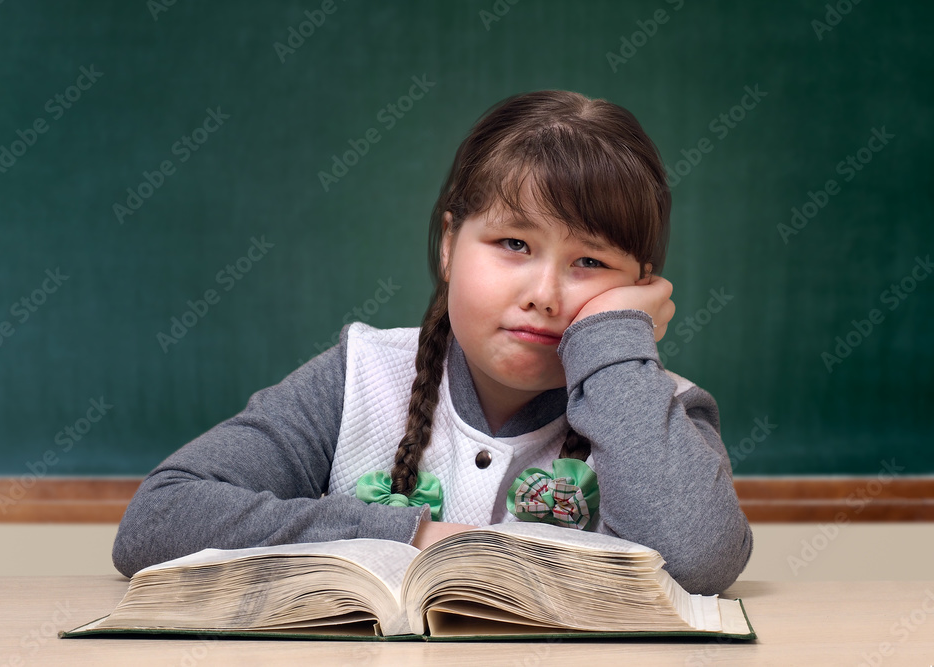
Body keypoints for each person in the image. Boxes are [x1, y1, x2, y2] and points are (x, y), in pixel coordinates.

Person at [113, 90, 752, 595]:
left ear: (641, 288)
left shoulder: (657, 408)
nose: (546, 294)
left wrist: (613, 342)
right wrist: (415, 535)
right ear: (449, 244)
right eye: (514, 245)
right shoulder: (359, 378)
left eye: (590, 262)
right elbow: (158, 520)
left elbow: (699, 559)